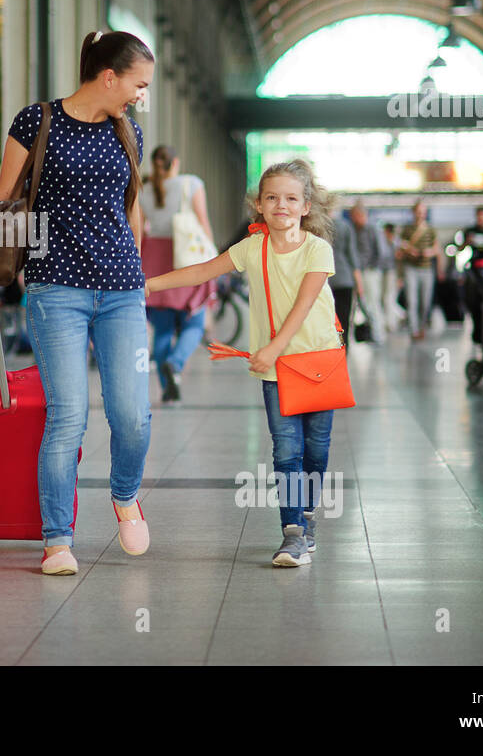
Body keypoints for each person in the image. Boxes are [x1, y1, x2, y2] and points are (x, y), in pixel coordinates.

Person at [0, 30, 153, 576]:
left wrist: (136, 274)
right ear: (108, 76)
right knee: (68, 415)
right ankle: (57, 538)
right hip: (54, 289)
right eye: (138, 83)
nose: (141, 95)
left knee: (132, 415)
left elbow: (132, 209)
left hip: (120, 291)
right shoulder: (36, 121)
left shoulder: (128, 131)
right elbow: (1, 200)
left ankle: (125, 494)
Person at [147, 159, 341, 568]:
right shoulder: (253, 247)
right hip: (275, 369)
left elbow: (304, 307)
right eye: (271, 197)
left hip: (318, 361)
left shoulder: (318, 249)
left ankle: (307, 517)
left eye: (290, 198)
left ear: (306, 206)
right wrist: (146, 284)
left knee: (316, 451)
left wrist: (273, 347)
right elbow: (202, 270)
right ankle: (292, 534)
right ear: (259, 204)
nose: (281, 205)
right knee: (286, 451)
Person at [140, 144, 216, 402]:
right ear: (175, 163)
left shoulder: (144, 190)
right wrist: (213, 257)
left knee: (162, 329)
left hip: (154, 260)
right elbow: (202, 221)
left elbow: (138, 230)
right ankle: (175, 362)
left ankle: (167, 390)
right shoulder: (190, 183)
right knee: (194, 321)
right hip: (186, 257)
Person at [397, 199, 441, 340]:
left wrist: (429, 252)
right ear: (413, 212)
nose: (420, 214)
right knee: (412, 300)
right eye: (418, 211)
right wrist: (410, 250)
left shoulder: (430, 229)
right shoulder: (407, 229)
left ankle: (422, 328)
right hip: (411, 268)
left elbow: (437, 248)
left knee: (425, 301)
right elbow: (401, 247)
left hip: (427, 269)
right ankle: (414, 331)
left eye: (423, 212)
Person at [350, 201, 388, 344]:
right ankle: (373, 332)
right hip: (359, 272)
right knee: (364, 303)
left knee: (373, 303)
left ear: (360, 215)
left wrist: (373, 267)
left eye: (354, 216)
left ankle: (379, 335)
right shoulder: (354, 229)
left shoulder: (373, 229)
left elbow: (381, 251)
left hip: (370, 271)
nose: (353, 219)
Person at [329, 202, 362, 337]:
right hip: (345, 280)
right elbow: (352, 257)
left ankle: (332, 351)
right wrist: (359, 283)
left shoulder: (318, 227)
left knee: (328, 321)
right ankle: (343, 348)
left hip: (324, 281)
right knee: (343, 321)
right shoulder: (345, 227)